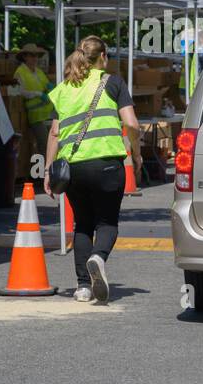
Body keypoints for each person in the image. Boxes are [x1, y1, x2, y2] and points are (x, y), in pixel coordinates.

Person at [43, 35, 142, 304]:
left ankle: (83, 287)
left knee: (82, 223)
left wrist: (48, 170)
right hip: (107, 164)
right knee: (107, 221)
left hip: (72, 169)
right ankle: (98, 257)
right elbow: (131, 124)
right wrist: (136, 150)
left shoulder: (64, 88)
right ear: (103, 58)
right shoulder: (113, 82)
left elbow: (54, 132)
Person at [12, 43, 54, 168]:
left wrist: (49, 88)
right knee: (44, 144)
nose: (35, 58)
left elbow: (47, 85)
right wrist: (38, 93)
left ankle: (47, 174)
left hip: (47, 114)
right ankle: (44, 175)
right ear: (25, 57)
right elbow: (21, 92)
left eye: (36, 56)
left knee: (50, 144)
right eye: (32, 55)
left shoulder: (39, 71)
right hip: (35, 116)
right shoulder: (20, 72)